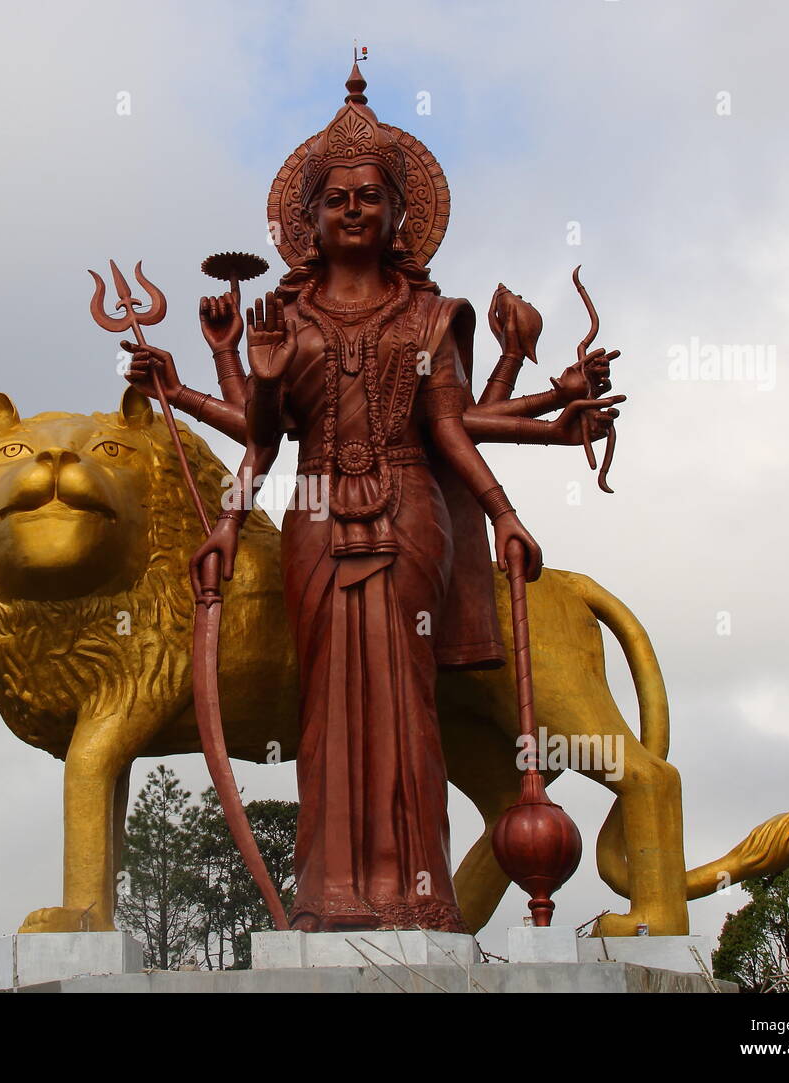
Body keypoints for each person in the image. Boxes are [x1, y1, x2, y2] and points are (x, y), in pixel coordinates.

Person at [124, 66, 620, 932]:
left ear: (398, 216)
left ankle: (416, 894)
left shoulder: (434, 318)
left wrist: (502, 511)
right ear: (308, 221)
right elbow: (265, 433)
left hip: (410, 512)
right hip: (315, 515)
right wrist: (229, 513)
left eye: (368, 197)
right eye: (336, 199)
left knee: (403, 696)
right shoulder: (287, 320)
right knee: (327, 706)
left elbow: (452, 426)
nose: (352, 210)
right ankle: (326, 896)